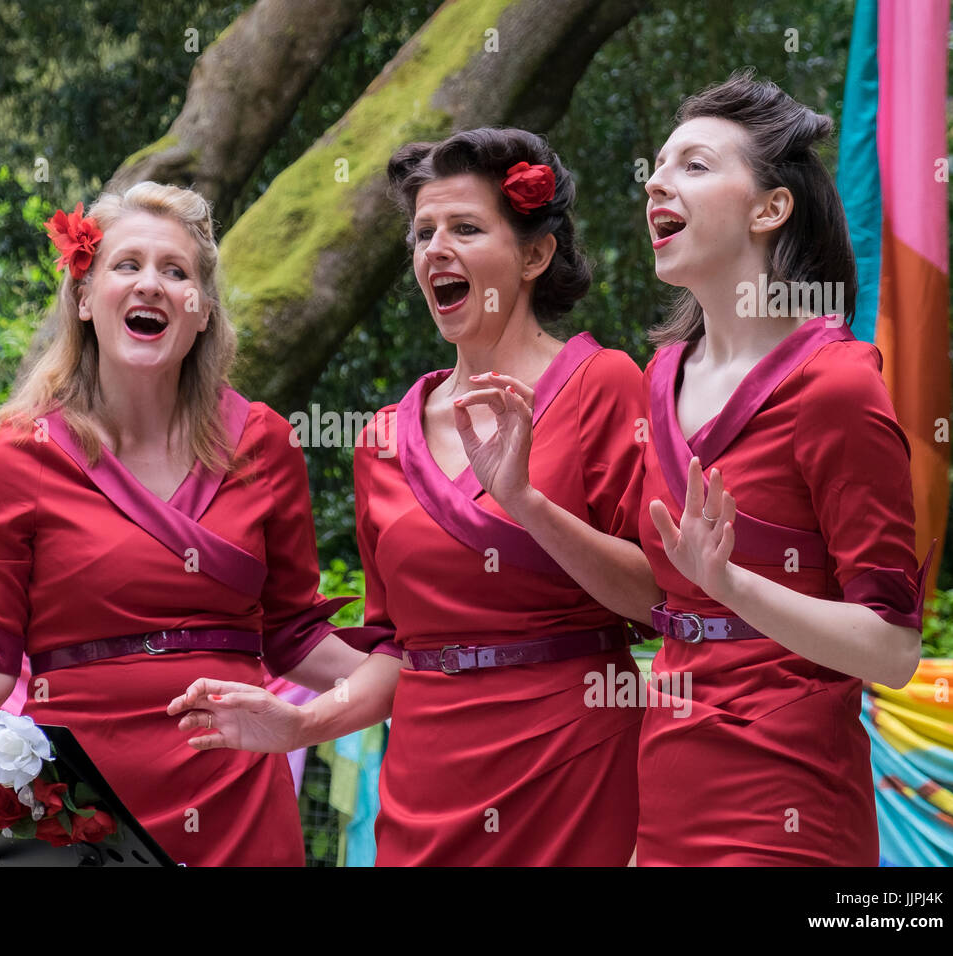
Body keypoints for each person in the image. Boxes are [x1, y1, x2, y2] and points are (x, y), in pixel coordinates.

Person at [0, 181, 365, 866]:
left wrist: (432, 666)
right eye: (127, 265)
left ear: (201, 312)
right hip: (80, 816)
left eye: (176, 271)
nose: (152, 284)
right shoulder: (14, 457)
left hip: (238, 801)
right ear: (83, 297)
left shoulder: (264, 442)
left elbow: (294, 636)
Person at [461, 73, 931, 865]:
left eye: (696, 165)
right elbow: (656, 598)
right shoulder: (661, 375)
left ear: (770, 208)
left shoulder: (837, 384)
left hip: (790, 808)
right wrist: (525, 501)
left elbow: (893, 649)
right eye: (659, 166)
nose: (656, 180)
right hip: (667, 787)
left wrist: (736, 586)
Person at [168, 128, 662, 865]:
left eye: (465, 227)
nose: (435, 248)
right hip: (426, 774)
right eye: (422, 232)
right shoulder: (383, 439)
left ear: (534, 254)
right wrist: (299, 724)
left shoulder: (605, 383)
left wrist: (526, 501)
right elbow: (401, 652)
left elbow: (656, 596)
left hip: (571, 755)